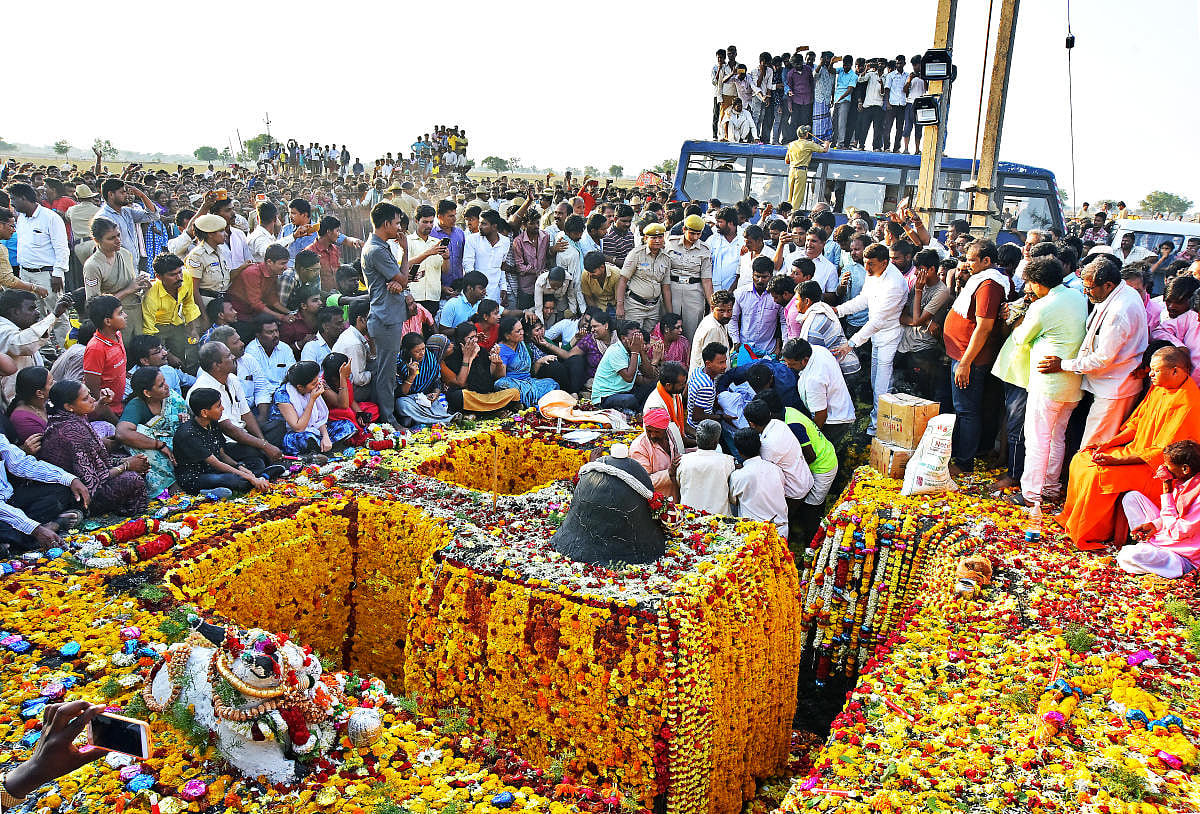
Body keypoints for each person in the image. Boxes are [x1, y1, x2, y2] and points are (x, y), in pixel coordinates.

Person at [1057, 347, 1200, 550]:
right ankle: (1071, 521)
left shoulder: (1188, 403)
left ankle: (1094, 533)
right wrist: (1107, 444)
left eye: (1156, 370)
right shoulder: (1159, 387)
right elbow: (1135, 425)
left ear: (1176, 371)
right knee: (1082, 459)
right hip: (1134, 452)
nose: (1150, 374)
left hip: (1154, 468)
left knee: (1099, 474)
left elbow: (1162, 454)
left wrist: (1116, 461)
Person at [991, 257, 1087, 509]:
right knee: (1057, 437)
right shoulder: (1077, 297)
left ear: (1038, 283)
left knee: (1037, 440)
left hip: (1048, 384)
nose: (1028, 289)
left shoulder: (1042, 306)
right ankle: (1051, 487)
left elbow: (1021, 337)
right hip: (1072, 383)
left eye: (1030, 284)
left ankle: (1032, 494)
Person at [1038, 260, 1148, 449]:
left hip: (1114, 387)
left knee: (1094, 447)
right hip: (1107, 382)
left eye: (1089, 288)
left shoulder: (1119, 311)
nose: (1085, 293)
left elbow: (1102, 359)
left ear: (1108, 285)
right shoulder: (1118, 293)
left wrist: (1062, 364)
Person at [944, 239, 1008, 473]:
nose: (968, 264)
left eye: (972, 260)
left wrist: (966, 362)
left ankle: (964, 463)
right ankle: (966, 454)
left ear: (986, 261)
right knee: (964, 409)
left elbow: (984, 327)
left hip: (970, 359)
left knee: (966, 411)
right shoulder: (980, 280)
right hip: (962, 354)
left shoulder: (989, 285)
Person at [40, 380, 148, 517]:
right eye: (86, 399)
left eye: (90, 395)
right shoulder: (72, 431)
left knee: (132, 458)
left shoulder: (68, 416)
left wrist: (127, 461)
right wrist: (126, 465)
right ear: (69, 406)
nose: (92, 400)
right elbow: (94, 479)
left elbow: (98, 459)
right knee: (132, 479)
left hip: (87, 477)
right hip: (75, 494)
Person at [835, 242, 907, 435]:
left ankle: (878, 430)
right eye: (865, 263)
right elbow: (863, 300)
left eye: (871, 265)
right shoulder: (873, 274)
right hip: (876, 336)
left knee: (882, 386)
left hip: (888, 337)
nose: (866, 269)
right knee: (877, 382)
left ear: (884, 263)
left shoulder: (894, 283)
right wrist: (838, 311)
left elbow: (878, 321)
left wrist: (851, 344)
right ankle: (879, 424)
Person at [192, 341, 283, 466]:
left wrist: (263, 442)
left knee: (277, 426)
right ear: (217, 365)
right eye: (228, 356)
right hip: (226, 443)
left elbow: (246, 414)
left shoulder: (232, 379)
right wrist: (265, 446)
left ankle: (264, 459)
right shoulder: (203, 389)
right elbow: (229, 429)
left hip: (242, 433)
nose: (233, 357)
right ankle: (261, 462)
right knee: (254, 452)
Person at [1118, 440, 1200, 578]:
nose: (1164, 469)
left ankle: (1157, 558)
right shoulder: (1184, 483)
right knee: (1132, 498)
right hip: (1166, 538)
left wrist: (1167, 489)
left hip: (1182, 555)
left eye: (1168, 466)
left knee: (1128, 554)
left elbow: (1178, 532)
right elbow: (1174, 516)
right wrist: (1154, 525)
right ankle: (1148, 547)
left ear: (1185, 469)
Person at [361, 202, 410, 428]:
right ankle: (388, 420)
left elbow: (398, 280)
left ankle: (385, 416)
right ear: (387, 223)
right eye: (398, 223)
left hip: (388, 315)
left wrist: (399, 281)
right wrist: (406, 250)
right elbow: (403, 278)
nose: (400, 228)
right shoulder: (377, 249)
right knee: (386, 373)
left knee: (385, 369)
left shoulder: (380, 246)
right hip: (385, 317)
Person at [172, 388, 271, 495]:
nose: (222, 408)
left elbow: (222, 454)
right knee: (234, 480)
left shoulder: (212, 423)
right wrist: (248, 477)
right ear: (204, 412)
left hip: (214, 470)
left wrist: (240, 468)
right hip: (196, 477)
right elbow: (216, 463)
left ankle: (259, 477)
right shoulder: (189, 434)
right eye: (218, 406)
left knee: (256, 463)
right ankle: (206, 492)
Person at [743, 397, 813, 543]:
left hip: (795, 488)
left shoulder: (768, 446)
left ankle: (789, 541)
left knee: (785, 517)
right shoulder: (778, 424)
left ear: (751, 424)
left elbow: (765, 473)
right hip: (803, 476)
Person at [115, 366, 190, 497]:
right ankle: (168, 485)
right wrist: (159, 444)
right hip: (159, 449)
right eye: (161, 385)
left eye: (165, 381)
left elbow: (185, 415)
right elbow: (122, 433)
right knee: (139, 433)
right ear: (147, 393)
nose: (167, 386)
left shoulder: (172, 397)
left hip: (179, 442)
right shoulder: (136, 405)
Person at [0, 286, 72, 402]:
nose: (37, 313)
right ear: (14, 312)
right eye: (31, 309)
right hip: (11, 405)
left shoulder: (21, 329)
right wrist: (54, 315)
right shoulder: (3, 329)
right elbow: (23, 344)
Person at [270, 360, 357, 455]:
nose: (317, 384)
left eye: (317, 380)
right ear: (300, 387)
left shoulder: (312, 388)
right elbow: (298, 428)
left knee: (347, 425)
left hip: (313, 430)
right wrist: (312, 399)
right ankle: (320, 449)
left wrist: (325, 436)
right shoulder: (283, 395)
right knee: (306, 438)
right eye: (313, 383)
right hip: (292, 434)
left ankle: (321, 447)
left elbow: (320, 419)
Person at [781, 338, 855, 444]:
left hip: (833, 420)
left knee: (828, 449)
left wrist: (813, 436)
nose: (788, 366)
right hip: (839, 404)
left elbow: (821, 415)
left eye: (792, 364)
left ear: (804, 360)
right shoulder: (817, 350)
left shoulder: (814, 380)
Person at [82, 218, 146, 335]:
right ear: (97, 240)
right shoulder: (93, 265)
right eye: (111, 238)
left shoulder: (125, 254)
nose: (117, 241)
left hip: (136, 310)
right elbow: (94, 306)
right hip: (114, 318)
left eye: (118, 235)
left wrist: (142, 285)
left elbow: (132, 282)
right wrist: (127, 290)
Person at [440, 322, 520, 414]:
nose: (474, 340)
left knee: (514, 393)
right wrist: (469, 357)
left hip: (487, 396)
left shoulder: (481, 351)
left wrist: (497, 364)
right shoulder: (454, 356)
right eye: (470, 338)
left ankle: (484, 411)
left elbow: (496, 377)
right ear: (461, 341)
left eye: (475, 337)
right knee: (458, 396)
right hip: (471, 396)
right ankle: (494, 410)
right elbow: (461, 383)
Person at [142, 253, 202, 371]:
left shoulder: (186, 277)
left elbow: (188, 304)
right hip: (157, 328)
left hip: (176, 323)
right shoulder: (151, 296)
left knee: (182, 360)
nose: (179, 277)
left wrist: (193, 327)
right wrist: (168, 355)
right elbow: (149, 331)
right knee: (163, 363)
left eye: (179, 272)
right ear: (159, 277)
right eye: (172, 275)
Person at [728, 426, 788, 537]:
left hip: (754, 534)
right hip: (781, 529)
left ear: (739, 452)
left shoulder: (737, 476)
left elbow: (733, 501)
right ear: (760, 445)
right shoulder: (776, 469)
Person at [489, 315, 557, 407]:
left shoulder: (521, 344)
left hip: (529, 381)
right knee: (501, 384)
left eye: (522, 329)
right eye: (518, 331)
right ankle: (527, 401)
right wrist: (499, 364)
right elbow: (500, 377)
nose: (522, 333)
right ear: (507, 336)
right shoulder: (501, 349)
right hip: (513, 382)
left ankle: (526, 401)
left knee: (551, 383)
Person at [666, 214, 714, 337]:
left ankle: (690, 356)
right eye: (692, 233)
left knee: (692, 332)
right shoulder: (671, 243)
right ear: (684, 230)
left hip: (694, 291)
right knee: (670, 329)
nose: (695, 237)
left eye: (699, 234)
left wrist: (712, 305)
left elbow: (706, 280)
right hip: (672, 288)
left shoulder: (705, 249)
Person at [730, 257, 785, 365]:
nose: (760, 280)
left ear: (771, 276)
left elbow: (783, 322)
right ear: (752, 275)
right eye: (757, 276)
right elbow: (733, 318)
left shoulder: (777, 296)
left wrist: (783, 346)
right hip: (744, 349)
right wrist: (736, 341)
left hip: (769, 350)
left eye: (764, 277)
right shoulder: (740, 293)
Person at [618, 223, 671, 332]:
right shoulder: (636, 254)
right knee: (633, 338)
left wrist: (670, 313)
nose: (657, 240)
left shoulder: (666, 258)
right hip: (635, 306)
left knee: (650, 340)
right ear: (646, 238)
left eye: (660, 237)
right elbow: (623, 281)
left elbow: (666, 287)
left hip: (654, 308)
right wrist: (620, 305)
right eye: (653, 238)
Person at [590, 321, 655, 410]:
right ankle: (639, 411)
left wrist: (642, 352)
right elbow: (628, 378)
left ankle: (641, 412)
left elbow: (650, 375)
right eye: (634, 336)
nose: (637, 340)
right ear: (624, 338)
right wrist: (635, 352)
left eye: (639, 336)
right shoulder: (615, 350)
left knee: (655, 385)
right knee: (630, 400)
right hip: (605, 397)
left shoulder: (635, 349)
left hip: (626, 392)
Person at [676, 419, 735, 515]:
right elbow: (732, 495)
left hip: (690, 518)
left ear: (697, 439)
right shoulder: (727, 461)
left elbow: (679, 484)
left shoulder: (683, 461)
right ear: (716, 442)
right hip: (719, 520)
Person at [81, 295, 127, 418]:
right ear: (108, 321)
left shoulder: (117, 334)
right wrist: (109, 415)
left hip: (119, 402)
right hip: (107, 409)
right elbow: (92, 387)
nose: (125, 316)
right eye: (120, 313)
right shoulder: (96, 348)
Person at [396, 333, 457, 426]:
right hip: (410, 399)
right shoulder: (399, 362)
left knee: (442, 400)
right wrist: (411, 376)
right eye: (417, 351)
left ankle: (438, 418)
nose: (422, 353)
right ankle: (442, 420)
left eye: (423, 349)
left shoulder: (430, 357)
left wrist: (435, 394)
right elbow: (401, 392)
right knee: (401, 404)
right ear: (408, 351)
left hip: (426, 398)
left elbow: (437, 381)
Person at [320, 352, 377, 443]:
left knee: (373, 408)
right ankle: (356, 431)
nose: (349, 371)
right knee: (347, 413)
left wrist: (360, 414)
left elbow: (351, 400)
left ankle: (358, 424)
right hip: (334, 415)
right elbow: (344, 404)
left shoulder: (344, 377)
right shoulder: (323, 385)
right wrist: (343, 378)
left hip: (348, 409)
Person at [629, 407, 681, 502]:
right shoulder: (639, 447)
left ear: (665, 429)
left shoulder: (670, 433)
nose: (652, 435)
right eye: (649, 431)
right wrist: (669, 473)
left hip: (675, 494)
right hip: (656, 501)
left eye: (657, 432)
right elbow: (643, 481)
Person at [784, 126, 829, 210]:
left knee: (790, 197)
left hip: (791, 171)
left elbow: (787, 160)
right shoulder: (809, 144)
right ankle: (793, 215)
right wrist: (827, 144)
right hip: (801, 171)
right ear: (806, 134)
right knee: (798, 197)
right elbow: (825, 150)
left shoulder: (791, 144)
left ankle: (787, 212)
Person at [690, 290, 735, 368]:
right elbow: (709, 365)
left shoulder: (720, 322)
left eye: (729, 311)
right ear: (712, 308)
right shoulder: (713, 329)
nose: (726, 315)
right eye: (721, 311)